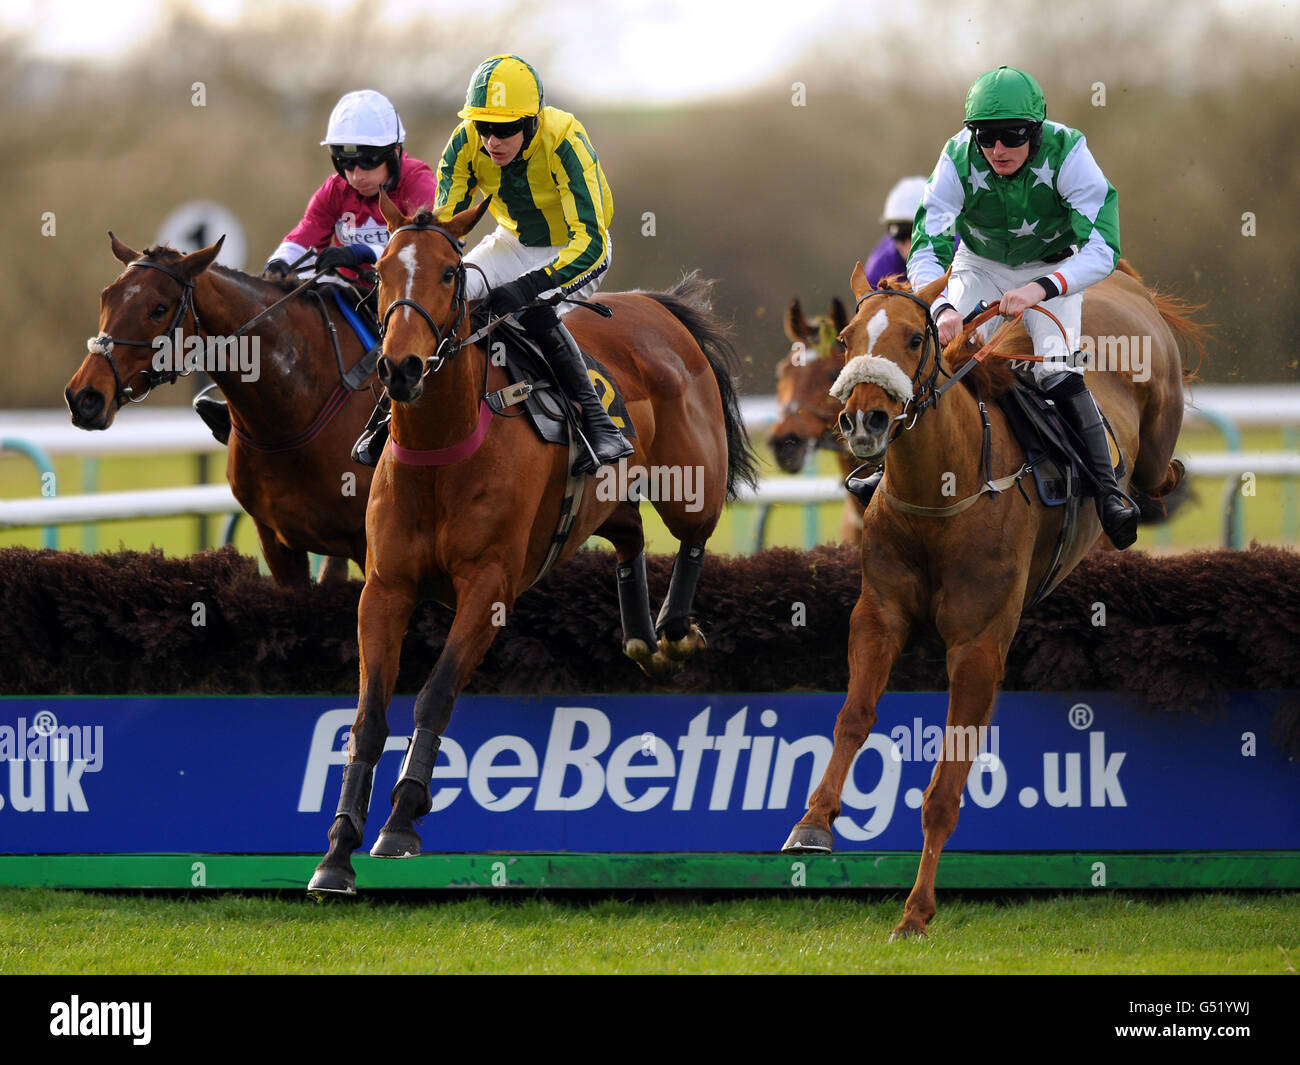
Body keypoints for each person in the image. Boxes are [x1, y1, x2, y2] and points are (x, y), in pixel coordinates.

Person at [853, 66, 1137, 550]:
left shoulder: (1070, 154)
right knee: (936, 359)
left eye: (1011, 136)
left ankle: (1109, 493)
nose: (998, 150)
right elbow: (928, 241)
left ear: (1037, 130)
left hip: (1055, 268)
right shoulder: (958, 157)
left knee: (1055, 371)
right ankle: (882, 471)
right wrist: (940, 306)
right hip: (978, 264)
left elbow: (1103, 248)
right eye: (986, 137)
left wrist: (1040, 289)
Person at [353, 54, 632, 471]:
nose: (491, 142)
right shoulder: (465, 142)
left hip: (573, 250)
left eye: (504, 130)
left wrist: (526, 287)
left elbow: (589, 241)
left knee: (533, 313)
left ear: (532, 123)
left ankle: (599, 423)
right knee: (449, 294)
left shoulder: (565, 140)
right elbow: (444, 232)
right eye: (484, 128)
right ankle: (390, 414)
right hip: (510, 242)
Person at [193, 89, 439, 446]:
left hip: (405, 296)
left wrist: (358, 253)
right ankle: (240, 409)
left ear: (395, 154)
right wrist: (279, 263)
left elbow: (420, 244)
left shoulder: (419, 181)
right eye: (345, 162)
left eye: (367, 162)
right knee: (282, 312)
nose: (356, 174)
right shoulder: (334, 190)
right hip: (352, 294)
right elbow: (304, 235)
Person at [864, 175, 928, 288]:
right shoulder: (877, 272)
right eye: (901, 236)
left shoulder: (961, 252)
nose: (909, 247)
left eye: (917, 235)